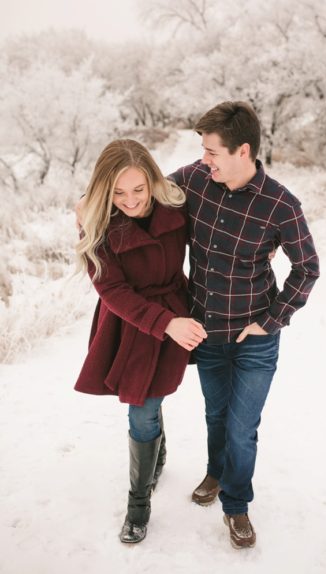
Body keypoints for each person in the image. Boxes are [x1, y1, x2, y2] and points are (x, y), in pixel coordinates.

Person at [168, 101, 320, 549]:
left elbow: (307, 267)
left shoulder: (280, 204)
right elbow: (141, 191)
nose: (204, 159)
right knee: (216, 415)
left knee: (241, 426)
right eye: (203, 150)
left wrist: (272, 320)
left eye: (212, 151)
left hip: (255, 336)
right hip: (207, 330)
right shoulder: (194, 179)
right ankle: (216, 472)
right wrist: (90, 202)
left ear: (243, 151)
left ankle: (236, 506)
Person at [74, 139, 207, 544]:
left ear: (152, 181)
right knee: (142, 406)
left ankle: (156, 454)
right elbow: (112, 290)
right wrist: (166, 324)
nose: (130, 200)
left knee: (152, 395)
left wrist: (263, 246)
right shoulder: (97, 223)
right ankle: (138, 505)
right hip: (131, 321)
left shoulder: (176, 204)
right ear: (104, 190)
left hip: (176, 307)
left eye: (138, 189)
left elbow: (220, 219)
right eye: (118, 192)